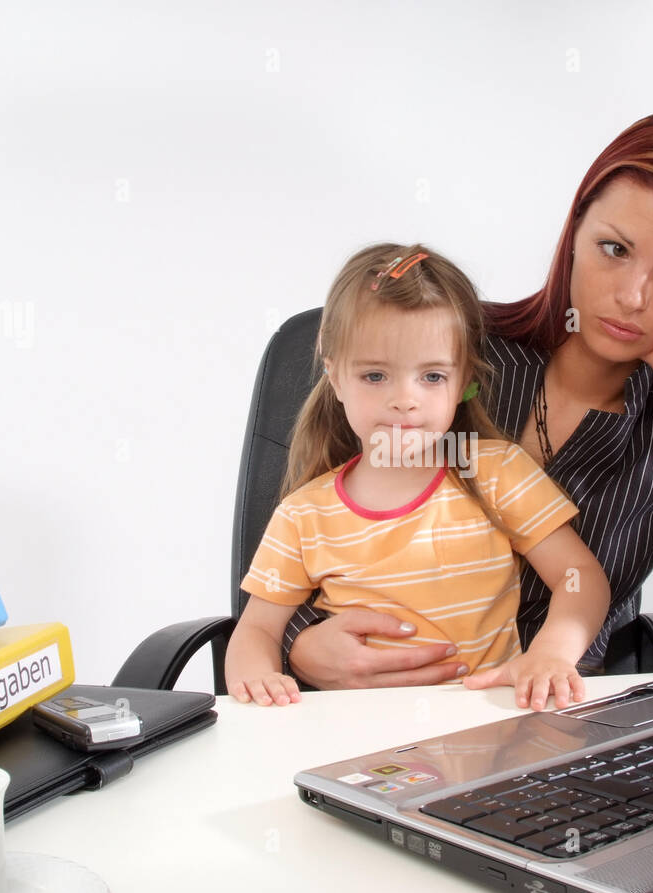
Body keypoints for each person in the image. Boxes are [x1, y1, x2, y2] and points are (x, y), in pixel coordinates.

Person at [282, 111, 653, 689]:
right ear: (574, 230)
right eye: (614, 248)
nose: (632, 296)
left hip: (550, 721)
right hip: (361, 711)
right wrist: (301, 643)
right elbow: (306, 529)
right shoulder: (445, 356)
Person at [224, 243, 611, 710]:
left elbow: (580, 577)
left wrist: (550, 654)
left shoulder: (495, 472)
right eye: (374, 376)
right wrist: (259, 684)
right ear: (334, 373)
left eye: (430, 377)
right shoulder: (303, 515)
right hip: (356, 737)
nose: (404, 400)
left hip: (488, 722)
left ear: (463, 378)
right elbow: (257, 630)